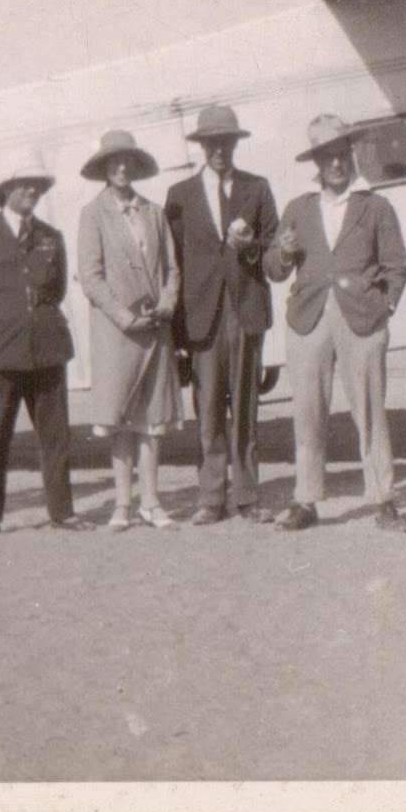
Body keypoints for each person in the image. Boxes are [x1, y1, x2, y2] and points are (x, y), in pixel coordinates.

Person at [264, 115, 406, 532]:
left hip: (362, 319)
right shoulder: (298, 208)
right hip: (308, 321)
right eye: (327, 156)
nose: (336, 164)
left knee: (369, 410)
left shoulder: (375, 206)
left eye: (342, 154)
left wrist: (386, 305)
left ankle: (384, 500)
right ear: (317, 163)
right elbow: (273, 270)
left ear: (350, 156)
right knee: (308, 412)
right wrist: (284, 252)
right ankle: (306, 501)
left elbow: (398, 265)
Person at [0, 163, 90, 538]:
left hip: (45, 347)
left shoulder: (51, 237)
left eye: (37, 186)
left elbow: (55, 291)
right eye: (24, 185)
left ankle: (62, 512)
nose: (32, 191)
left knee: (55, 434)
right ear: (5, 188)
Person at [163, 104, 279, 525]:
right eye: (211, 143)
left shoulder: (258, 188)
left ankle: (248, 497)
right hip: (202, 317)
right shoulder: (179, 196)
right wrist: (177, 337)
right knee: (208, 408)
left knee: (245, 407)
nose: (219, 150)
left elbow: (273, 252)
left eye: (225, 142)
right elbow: (172, 264)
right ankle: (211, 497)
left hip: (245, 311)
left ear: (235, 144)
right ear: (201, 147)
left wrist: (248, 245)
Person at [76, 130, 182, 531]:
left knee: (153, 420)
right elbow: (91, 276)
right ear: (104, 168)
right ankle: (122, 503)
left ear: (136, 166)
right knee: (119, 417)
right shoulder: (93, 214)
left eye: (128, 161)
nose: (121, 167)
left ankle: (151, 502)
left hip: (155, 328)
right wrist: (123, 315)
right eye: (113, 161)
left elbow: (172, 269)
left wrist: (168, 303)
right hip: (116, 332)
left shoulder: (153, 212)